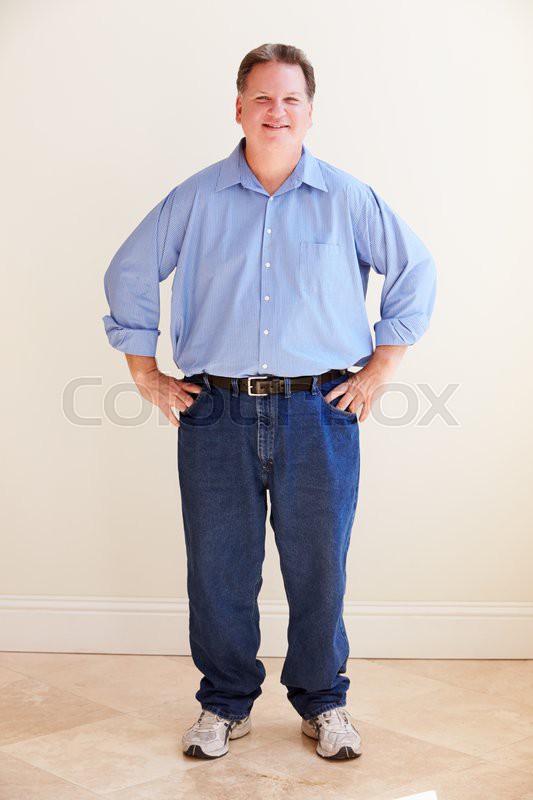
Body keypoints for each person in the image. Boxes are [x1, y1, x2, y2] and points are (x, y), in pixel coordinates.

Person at [102, 42, 436, 761]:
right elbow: (129, 270)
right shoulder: (193, 198)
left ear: (309, 112)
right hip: (212, 411)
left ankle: (323, 703)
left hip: (321, 411)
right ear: (238, 108)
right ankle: (224, 704)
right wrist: (144, 373)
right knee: (219, 567)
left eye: (289, 99)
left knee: (319, 564)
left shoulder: (348, 197)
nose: (275, 111)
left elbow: (414, 270)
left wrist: (382, 364)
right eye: (261, 98)